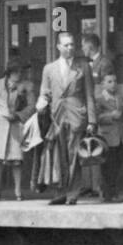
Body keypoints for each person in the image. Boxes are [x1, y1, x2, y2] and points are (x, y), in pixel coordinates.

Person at [36, 31, 96, 205]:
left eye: (72, 44)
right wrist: (41, 102)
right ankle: (60, 192)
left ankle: (72, 194)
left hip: (77, 115)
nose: (70, 48)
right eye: (66, 45)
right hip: (56, 116)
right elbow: (45, 92)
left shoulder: (83, 66)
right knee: (59, 156)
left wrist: (92, 120)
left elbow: (89, 94)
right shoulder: (49, 68)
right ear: (58, 47)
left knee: (75, 155)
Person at [0, 58, 34, 201]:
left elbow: (32, 106)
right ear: (9, 73)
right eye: (15, 72)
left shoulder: (27, 86)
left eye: (20, 72)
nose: (18, 75)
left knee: (16, 160)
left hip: (15, 125)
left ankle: (18, 192)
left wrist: (18, 115)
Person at [93, 69, 123, 202]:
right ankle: (106, 193)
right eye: (109, 81)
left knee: (116, 165)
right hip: (106, 137)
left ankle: (113, 193)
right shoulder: (99, 99)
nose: (113, 84)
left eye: (114, 81)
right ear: (103, 84)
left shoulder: (119, 98)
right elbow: (95, 117)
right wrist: (110, 116)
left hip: (119, 136)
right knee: (107, 166)